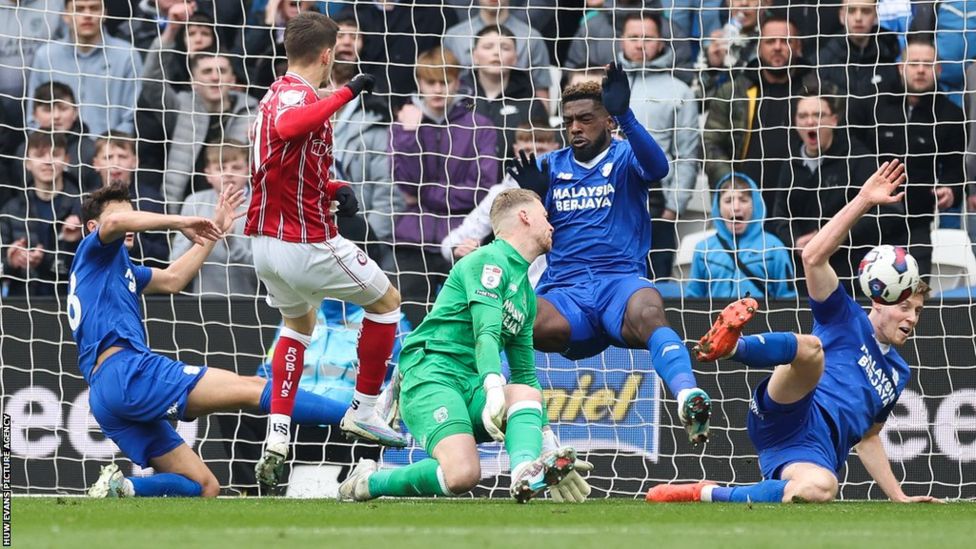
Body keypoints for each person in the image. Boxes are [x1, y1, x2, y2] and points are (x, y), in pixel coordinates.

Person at [647, 160, 943, 504]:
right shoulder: (845, 316)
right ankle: (732, 348)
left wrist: (899, 496)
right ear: (879, 299)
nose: (913, 318)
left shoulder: (898, 372)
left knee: (821, 489)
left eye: (919, 311)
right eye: (905, 307)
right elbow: (813, 257)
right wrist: (864, 199)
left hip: (812, 449)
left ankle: (707, 493)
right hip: (793, 406)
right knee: (813, 349)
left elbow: (869, 438)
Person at [76, 182, 358, 498]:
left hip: (104, 395)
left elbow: (173, 280)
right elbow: (113, 224)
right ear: (92, 227)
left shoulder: (118, 268)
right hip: (127, 371)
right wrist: (184, 221)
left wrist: (214, 234)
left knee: (205, 486)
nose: (129, 224)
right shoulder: (92, 252)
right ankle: (357, 415)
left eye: (132, 216)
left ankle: (122, 488)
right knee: (252, 388)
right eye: (124, 217)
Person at [338, 189, 588, 503]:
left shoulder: (525, 293)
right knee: (462, 475)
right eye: (545, 216)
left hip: (471, 383)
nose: (552, 225)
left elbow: (525, 375)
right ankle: (369, 482)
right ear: (525, 216)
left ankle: (526, 471)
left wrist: (548, 446)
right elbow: (486, 332)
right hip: (431, 374)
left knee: (526, 393)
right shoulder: (486, 261)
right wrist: (495, 385)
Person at [506, 65, 713, 445]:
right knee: (514, 319)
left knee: (650, 310)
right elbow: (529, 236)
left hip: (620, 285)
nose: (575, 128)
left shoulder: (624, 157)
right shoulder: (550, 167)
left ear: (607, 120)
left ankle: (688, 396)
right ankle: (517, 422)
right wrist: (534, 200)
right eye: (569, 121)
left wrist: (628, 117)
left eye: (586, 119)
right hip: (567, 295)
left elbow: (659, 167)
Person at [244, 12, 406, 489]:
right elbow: (296, 125)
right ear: (327, 54)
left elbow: (281, 164)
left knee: (299, 325)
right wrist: (347, 92)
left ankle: (277, 432)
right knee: (387, 304)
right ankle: (365, 409)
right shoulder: (298, 95)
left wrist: (333, 186)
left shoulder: (269, 96)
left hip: (265, 247)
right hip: (304, 242)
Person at [391, 47, 500, 329]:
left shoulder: (481, 126)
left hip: (465, 237)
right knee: (408, 319)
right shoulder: (405, 125)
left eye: (445, 81)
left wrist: (426, 194)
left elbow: (482, 189)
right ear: (420, 83)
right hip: (414, 239)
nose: (438, 89)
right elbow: (405, 182)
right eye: (431, 82)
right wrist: (408, 135)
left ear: (457, 82)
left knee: (464, 320)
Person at [619, 11, 701, 279]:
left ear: (661, 42)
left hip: (657, 203)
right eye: (633, 37)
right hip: (611, 199)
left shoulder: (680, 91)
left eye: (648, 37)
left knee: (655, 284)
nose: (640, 44)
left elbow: (687, 154)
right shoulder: (605, 87)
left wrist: (674, 206)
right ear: (621, 40)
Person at [441, 122, 560, 286]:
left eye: (540, 151)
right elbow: (451, 241)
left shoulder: (566, 189)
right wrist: (458, 248)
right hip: (510, 285)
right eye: (526, 151)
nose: (533, 158)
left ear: (556, 148)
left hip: (558, 283)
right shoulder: (502, 193)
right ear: (516, 149)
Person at [140, 46, 257, 209]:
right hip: (185, 208)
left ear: (232, 79)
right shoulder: (180, 106)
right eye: (207, 72)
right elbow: (150, 82)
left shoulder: (254, 112)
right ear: (193, 81)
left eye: (221, 71)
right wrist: (170, 32)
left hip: (240, 207)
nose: (215, 77)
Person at [28, 0, 142, 137]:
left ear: (104, 13)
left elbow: (132, 119)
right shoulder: (45, 56)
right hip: (57, 152)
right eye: (79, 9)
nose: (87, 15)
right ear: (65, 15)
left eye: (94, 8)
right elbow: (33, 118)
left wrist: (107, 149)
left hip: (110, 153)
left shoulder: (126, 56)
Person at [0, 132, 83, 297]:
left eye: (55, 154)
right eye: (39, 155)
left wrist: (44, 261)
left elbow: (88, 268)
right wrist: (10, 262)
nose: (48, 161)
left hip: (72, 302)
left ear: (67, 159)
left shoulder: (82, 207)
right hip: (22, 305)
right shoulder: (11, 210)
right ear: (27, 163)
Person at [686, 173, 795, 299]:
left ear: (754, 206)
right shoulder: (703, 249)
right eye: (728, 201)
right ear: (718, 208)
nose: (736, 207)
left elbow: (788, 298)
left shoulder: (774, 248)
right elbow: (693, 298)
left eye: (743, 200)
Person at [171, 142, 258, 296]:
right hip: (203, 303)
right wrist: (196, 237)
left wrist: (231, 241)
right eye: (220, 168)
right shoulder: (194, 202)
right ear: (208, 174)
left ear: (248, 170)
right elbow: (174, 262)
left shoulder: (259, 204)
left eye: (236, 167)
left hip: (252, 302)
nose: (228, 173)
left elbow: (262, 272)